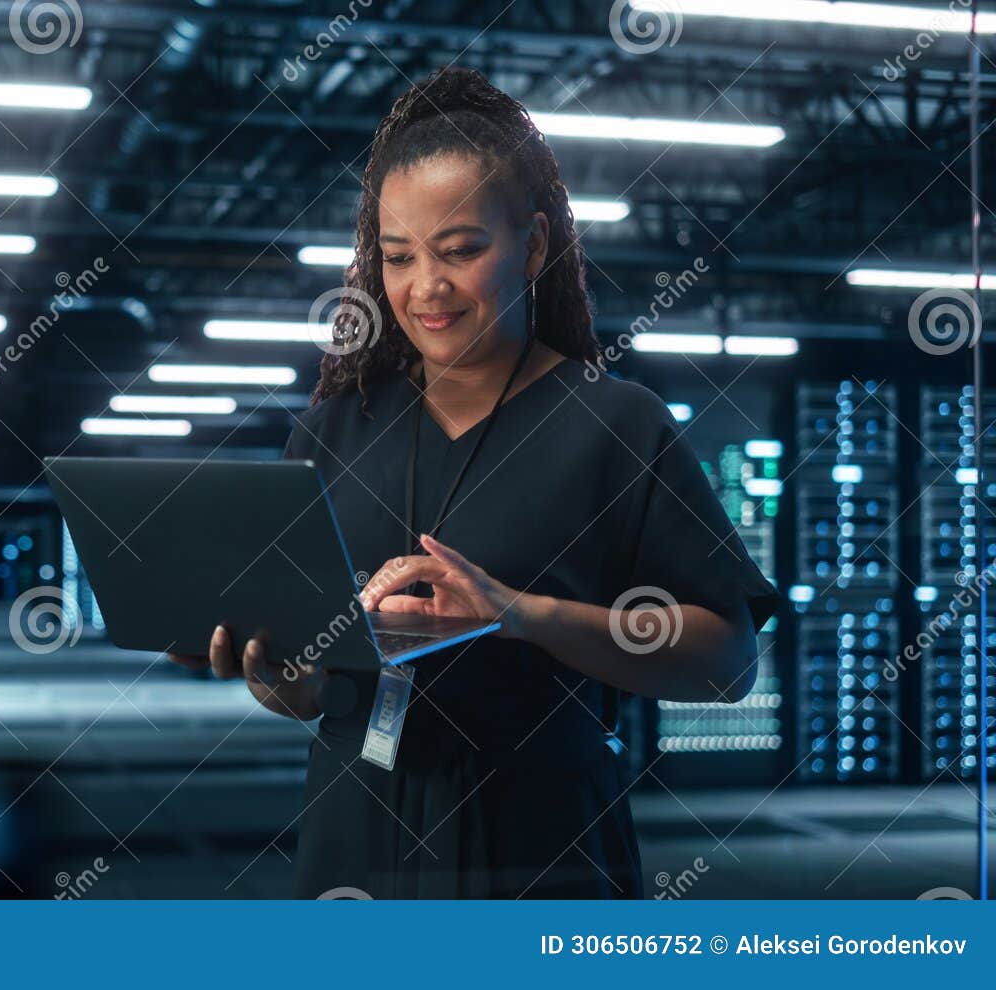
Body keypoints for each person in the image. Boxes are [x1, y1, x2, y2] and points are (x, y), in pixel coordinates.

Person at [166, 66, 779, 899]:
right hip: (358, 827)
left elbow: (729, 661)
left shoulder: (615, 426)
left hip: (540, 834)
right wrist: (290, 682)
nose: (427, 288)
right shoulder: (333, 431)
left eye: (461, 251)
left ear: (531, 245)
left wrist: (515, 615)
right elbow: (314, 682)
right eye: (398, 257)